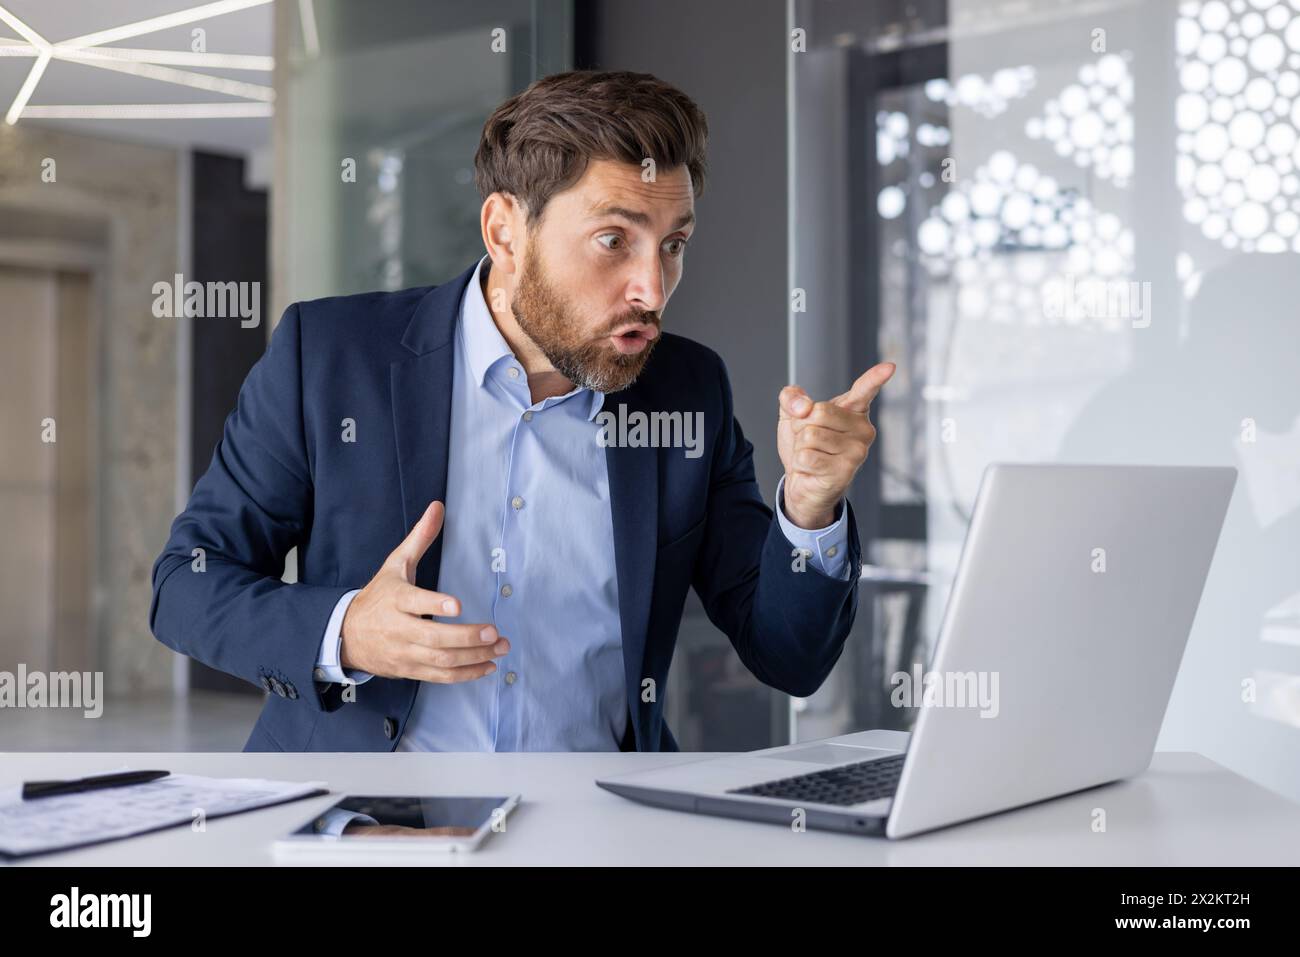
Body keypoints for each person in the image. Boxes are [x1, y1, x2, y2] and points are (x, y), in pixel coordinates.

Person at [150, 70, 895, 752]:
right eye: (614, 239)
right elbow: (185, 584)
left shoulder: (687, 390)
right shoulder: (332, 354)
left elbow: (789, 654)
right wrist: (346, 631)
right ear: (506, 230)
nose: (652, 287)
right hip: (365, 822)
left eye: (673, 245)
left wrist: (810, 508)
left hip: (601, 830)